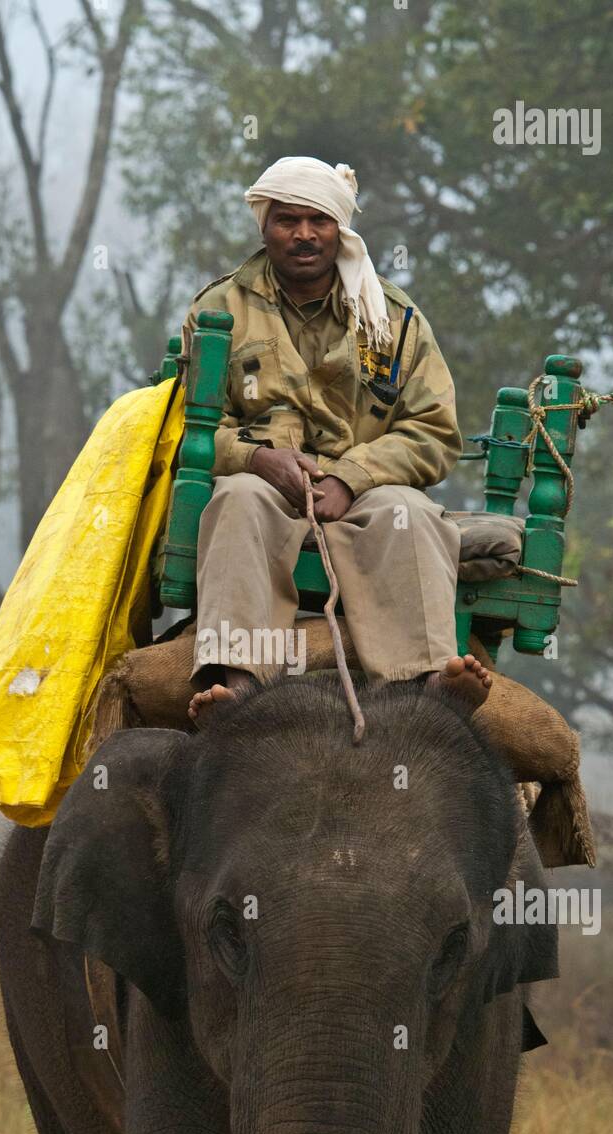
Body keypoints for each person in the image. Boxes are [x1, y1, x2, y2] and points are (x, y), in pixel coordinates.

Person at [181, 156, 491, 721]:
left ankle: (428, 685)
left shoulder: (394, 318)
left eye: (318, 221)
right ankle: (239, 685)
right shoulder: (216, 310)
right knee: (235, 500)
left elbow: (434, 431)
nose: (303, 235)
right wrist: (257, 459)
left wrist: (352, 477)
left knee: (409, 513)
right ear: (264, 226)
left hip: (366, 491)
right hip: (265, 488)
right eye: (287, 220)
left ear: (339, 229)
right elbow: (184, 428)